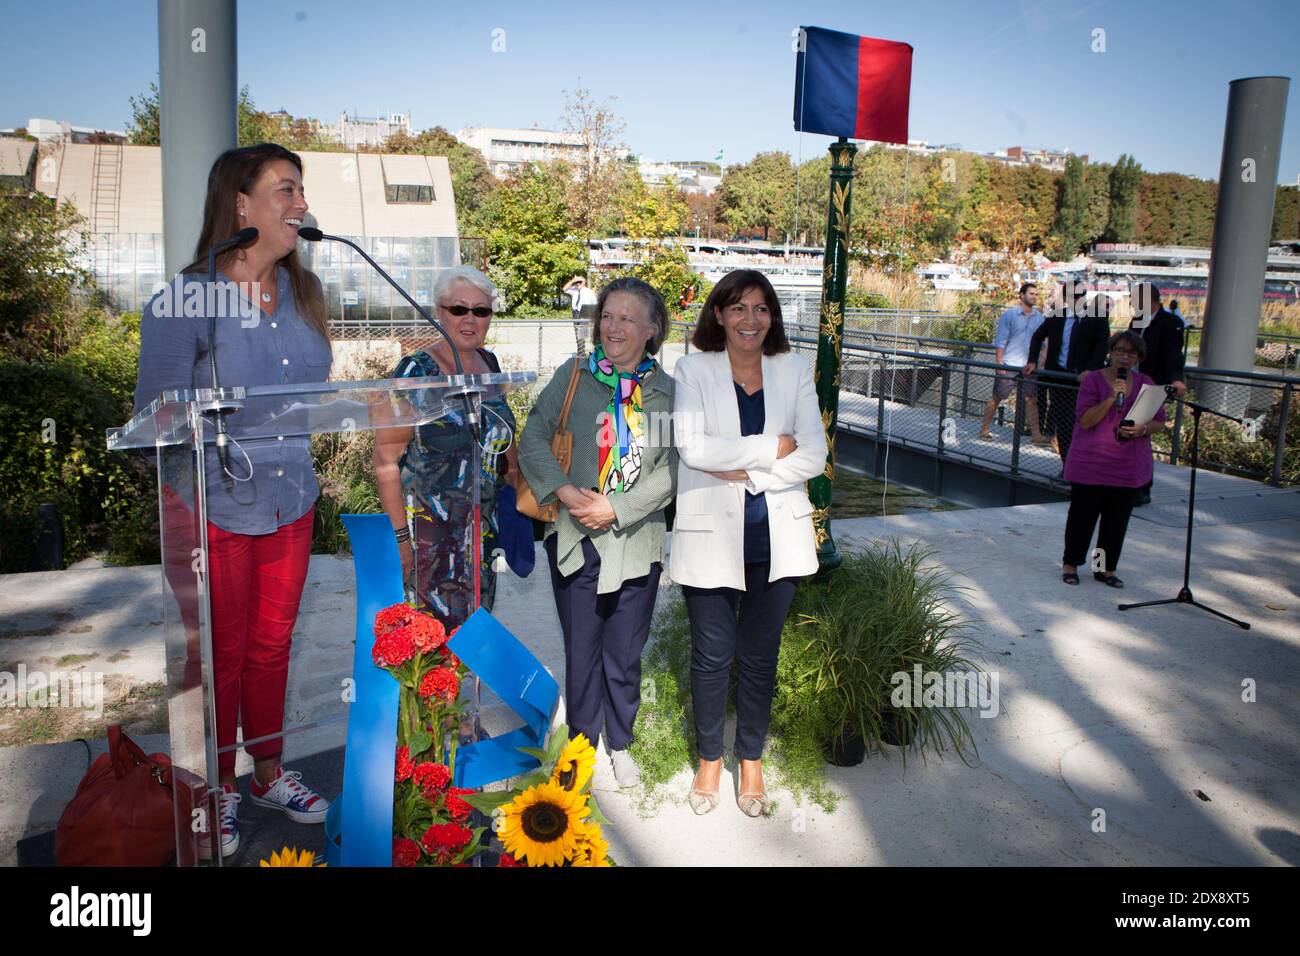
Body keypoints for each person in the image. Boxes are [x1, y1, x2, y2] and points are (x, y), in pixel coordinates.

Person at [133, 143, 333, 860]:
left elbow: (317, 401)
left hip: (290, 501)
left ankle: (269, 774)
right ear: (240, 205)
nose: (300, 204)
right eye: (285, 190)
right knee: (219, 656)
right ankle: (214, 786)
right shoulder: (187, 298)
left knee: (274, 646)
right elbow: (151, 415)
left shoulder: (307, 297)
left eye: (301, 190)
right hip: (213, 508)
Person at [670, 269, 827, 818]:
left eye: (761, 309)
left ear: (772, 317)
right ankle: (710, 759)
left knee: (760, 658)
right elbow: (692, 449)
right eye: (738, 308)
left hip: (777, 535)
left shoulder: (793, 369)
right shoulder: (692, 369)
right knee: (712, 656)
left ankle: (751, 760)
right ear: (718, 314)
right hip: (709, 535)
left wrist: (750, 471)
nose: (750, 319)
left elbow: (814, 454)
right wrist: (771, 449)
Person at [518, 276, 677, 789]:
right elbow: (534, 438)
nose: (613, 326)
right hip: (575, 539)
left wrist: (619, 507)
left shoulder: (669, 393)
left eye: (626, 318)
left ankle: (622, 741)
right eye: (607, 316)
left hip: (636, 543)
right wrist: (565, 492)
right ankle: (581, 750)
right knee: (582, 652)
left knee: (624, 654)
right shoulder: (572, 375)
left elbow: (674, 468)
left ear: (652, 330)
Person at [372, 266, 517, 629]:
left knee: (469, 646)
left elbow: (501, 442)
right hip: (429, 543)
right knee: (427, 649)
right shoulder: (415, 372)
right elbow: (385, 462)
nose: (470, 319)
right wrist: (400, 540)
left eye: (481, 311)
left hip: (481, 539)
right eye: (459, 309)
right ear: (439, 313)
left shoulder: (490, 365)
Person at [1060, 331, 1165, 588]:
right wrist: (1110, 398)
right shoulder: (1093, 380)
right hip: (1091, 463)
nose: (1124, 356)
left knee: (1115, 523)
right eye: (1119, 350)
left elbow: (1159, 422)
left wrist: (1142, 429)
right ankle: (1071, 564)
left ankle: (1103, 569)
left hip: (1127, 465)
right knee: (1082, 519)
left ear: (1138, 357)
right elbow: (1085, 420)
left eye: (1130, 352)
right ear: (1111, 352)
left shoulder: (1146, 383)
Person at [1024, 281, 1111, 471]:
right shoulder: (1057, 316)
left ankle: (1085, 466)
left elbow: (1102, 346)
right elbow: (1038, 336)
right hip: (1059, 378)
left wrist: (1091, 369)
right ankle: (1068, 467)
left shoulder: (1097, 317)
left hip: (1084, 381)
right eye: (1073, 296)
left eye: (1081, 295)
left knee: (1082, 424)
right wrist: (1032, 360)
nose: (1077, 300)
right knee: (1064, 426)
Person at [1128, 282, 1187, 505]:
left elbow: (1174, 354)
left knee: (1138, 434)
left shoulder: (1170, 323)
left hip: (1153, 385)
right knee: (1131, 434)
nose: (1132, 303)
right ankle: (1133, 483)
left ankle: (1142, 488)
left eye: (1135, 299)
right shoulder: (1137, 321)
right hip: (1132, 382)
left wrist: (1176, 379)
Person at [979, 282, 1047, 444]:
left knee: (1031, 399)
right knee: (997, 397)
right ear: (1022, 295)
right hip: (1009, 364)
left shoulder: (1039, 318)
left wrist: (1041, 361)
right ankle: (984, 429)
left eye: (1036, 294)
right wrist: (999, 364)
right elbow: (1001, 340)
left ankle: (1036, 435)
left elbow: (1044, 343)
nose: (1034, 296)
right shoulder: (1010, 315)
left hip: (1029, 366)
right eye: (1031, 293)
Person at [562, 275, 598, 355]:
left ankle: (587, 352)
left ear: (584, 282)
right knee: (577, 333)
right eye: (576, 282)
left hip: (585, 311)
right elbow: (564, 289)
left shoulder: (589, 292)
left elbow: (595, 304)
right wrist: (572, 280)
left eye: (580, 282)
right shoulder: (574, 290)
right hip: (576, 312)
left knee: (582, 334)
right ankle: (581, 352)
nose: (578, 284)